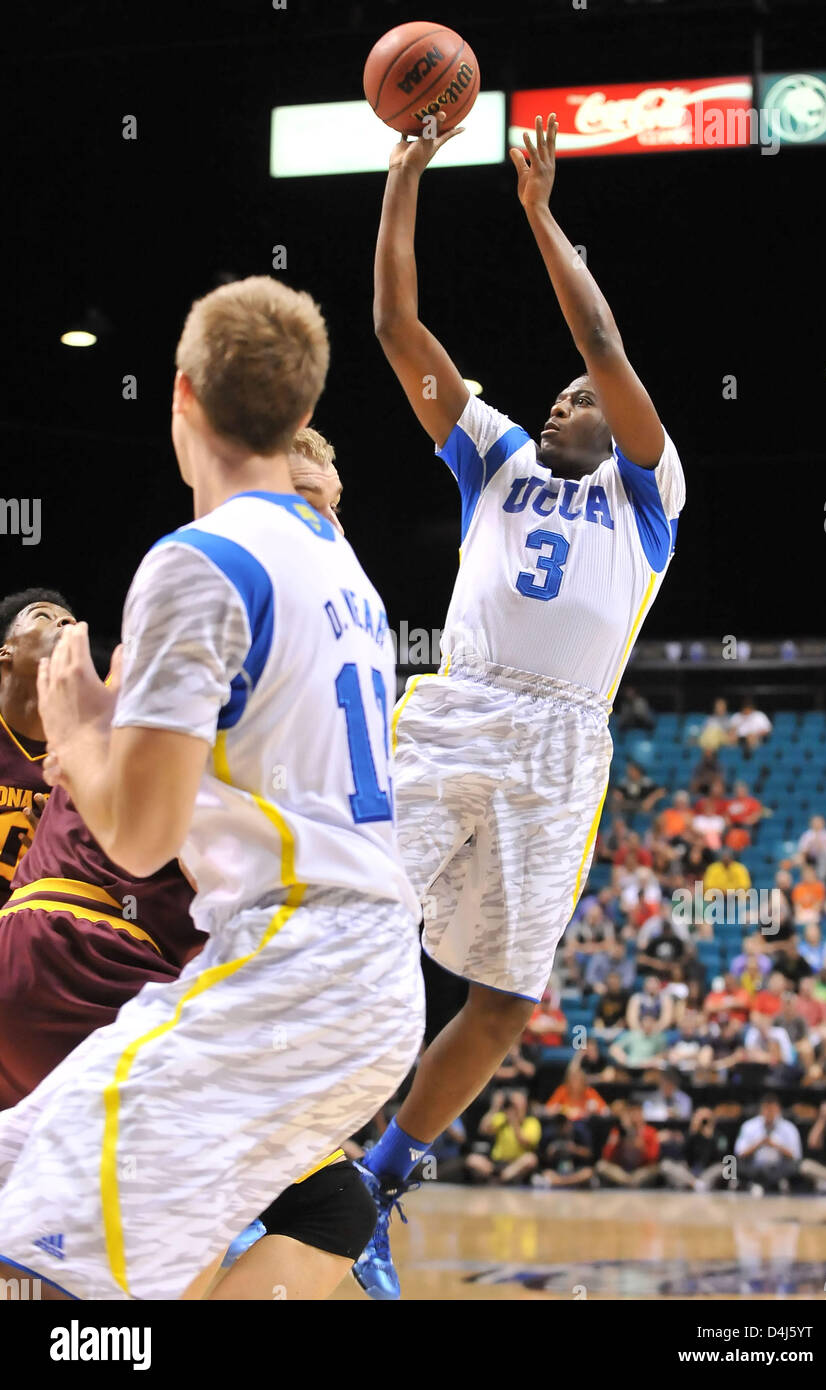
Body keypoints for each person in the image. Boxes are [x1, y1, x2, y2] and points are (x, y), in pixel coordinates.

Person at [0, 277, 426, 1302]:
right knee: (74, 1190)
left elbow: (139, 839)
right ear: (301, 413)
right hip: (362, 977)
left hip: (293, 964)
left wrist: (77, 731)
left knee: (37, 1199)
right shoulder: (347, 575)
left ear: (181, 395)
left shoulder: (198, 563)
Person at [353, 113, 685, 1297]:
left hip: (560, 741)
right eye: (547, 398)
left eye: (573, 400)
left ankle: (376, 1184)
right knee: (349, 919)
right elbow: (397, 327)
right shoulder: (490, 458)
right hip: (458, 707)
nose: (557, 405)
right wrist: (406, 178)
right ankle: (283, 1142)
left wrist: (539, 215)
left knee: (503, 998)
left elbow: (597, 340)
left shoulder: (650, 493)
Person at [0, 591, 76, 906]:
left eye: (71, 621)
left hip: (30, 931)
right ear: (6, 651)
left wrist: (59, 848)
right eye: (43, 616)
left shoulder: (86, 760)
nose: (66, 623)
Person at [465, 1090, 541, 1185]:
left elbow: (525, 1142)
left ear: (524, 1105)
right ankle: (499, 1178)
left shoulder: (531, 1122)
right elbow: (483, 1129)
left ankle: (500, 1179)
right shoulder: (503, 1118)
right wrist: (494, 1108)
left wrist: (514, 1122)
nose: (513, 1107)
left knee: (530, 1159)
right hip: (497, 1163)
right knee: (472, 1159)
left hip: (516, 1164)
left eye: (516, 1105)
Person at [732, 1095, 802, 1194]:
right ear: (761, 1110)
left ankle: (772, 1183)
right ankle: (754, 1183)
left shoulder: (789, 1127)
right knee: (733, 1163)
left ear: (778, 1110)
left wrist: (775, 1145)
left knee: (795, 1166)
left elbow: (796, 1155)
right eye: (766, 1109)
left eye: (772, 1110)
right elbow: (739, 1152)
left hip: (779, 1167)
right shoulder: (748, 1126)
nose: (769, 1113)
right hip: (754, 1166)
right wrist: (759, 1144)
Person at [595, 1102, 661, 1187]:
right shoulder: (618, 1131)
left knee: (655, 1168)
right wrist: (614, 1143)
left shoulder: (650, 1131)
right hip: (622, 1171)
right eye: (632, 1114)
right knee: (601, 1165)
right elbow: (606, 1157)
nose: (635, 1117)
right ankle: (628, 1182)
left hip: (640, 1170)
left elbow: (654, 1158)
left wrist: (642, 1147)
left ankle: (630, 1183)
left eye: (637, 1113)